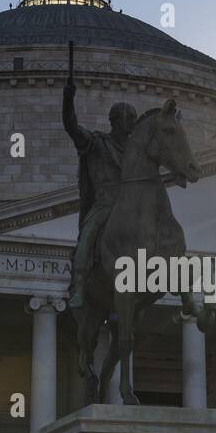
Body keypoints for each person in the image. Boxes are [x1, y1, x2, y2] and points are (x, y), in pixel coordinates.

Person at [63, 82, 137, 308]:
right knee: (88, 234)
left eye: (134, 117)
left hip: (132, 207)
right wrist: (68, 100)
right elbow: (71, 127)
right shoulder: (96, 143)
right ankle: (79, 285)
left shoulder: (136, 151)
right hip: (104, 204)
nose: (134, 122)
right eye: (130, 118)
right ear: (117, 120)